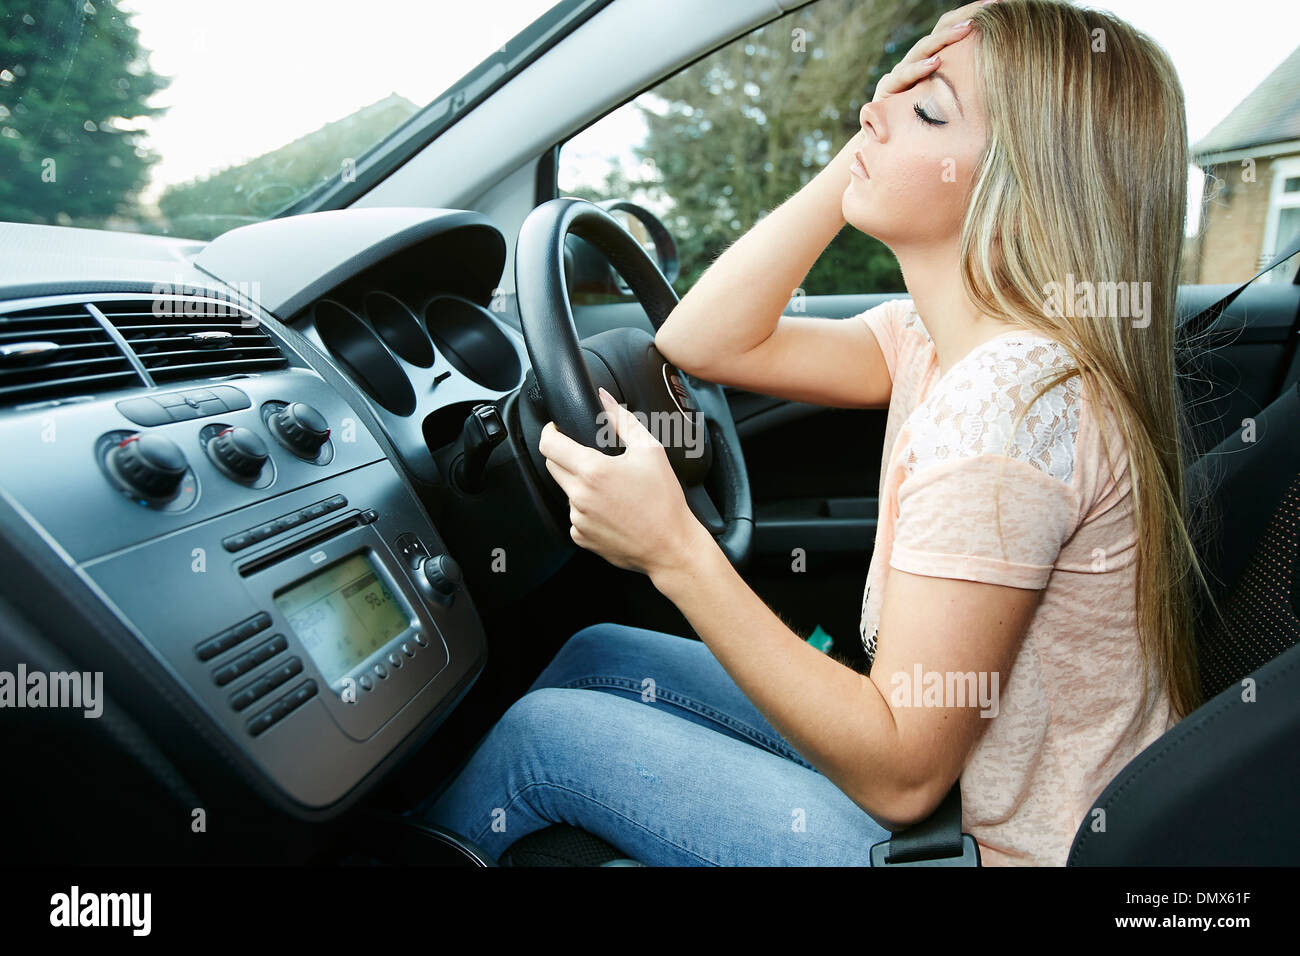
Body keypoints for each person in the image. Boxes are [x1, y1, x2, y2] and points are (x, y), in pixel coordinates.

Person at [418, 0, 1218, 865]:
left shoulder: (1008, 407)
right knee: (598, 649)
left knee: (546, 736)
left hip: (995, 848)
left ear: (1020, 189)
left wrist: (672, 550)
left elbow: (904, 775)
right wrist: (877, 140)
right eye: (893, 79)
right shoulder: (936, 341)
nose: (876, 105)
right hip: (959, 788)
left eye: (929, 105)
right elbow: (700, 342)